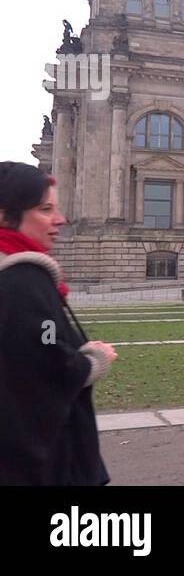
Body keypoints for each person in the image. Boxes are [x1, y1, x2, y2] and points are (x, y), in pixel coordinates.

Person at [0, 162, 117, 485]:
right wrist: (95, 358)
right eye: (45, 209)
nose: (60, 219)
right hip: (43, 467)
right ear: (4, 215)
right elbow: (49, 367)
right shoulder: (23, 281)